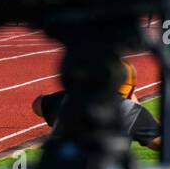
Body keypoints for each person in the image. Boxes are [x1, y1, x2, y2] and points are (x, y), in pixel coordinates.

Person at [32, 60, 161, 152]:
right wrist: (137, 106)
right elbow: (161, 143)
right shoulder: (130, 111)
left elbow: (37, 105)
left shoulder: (67, 99)